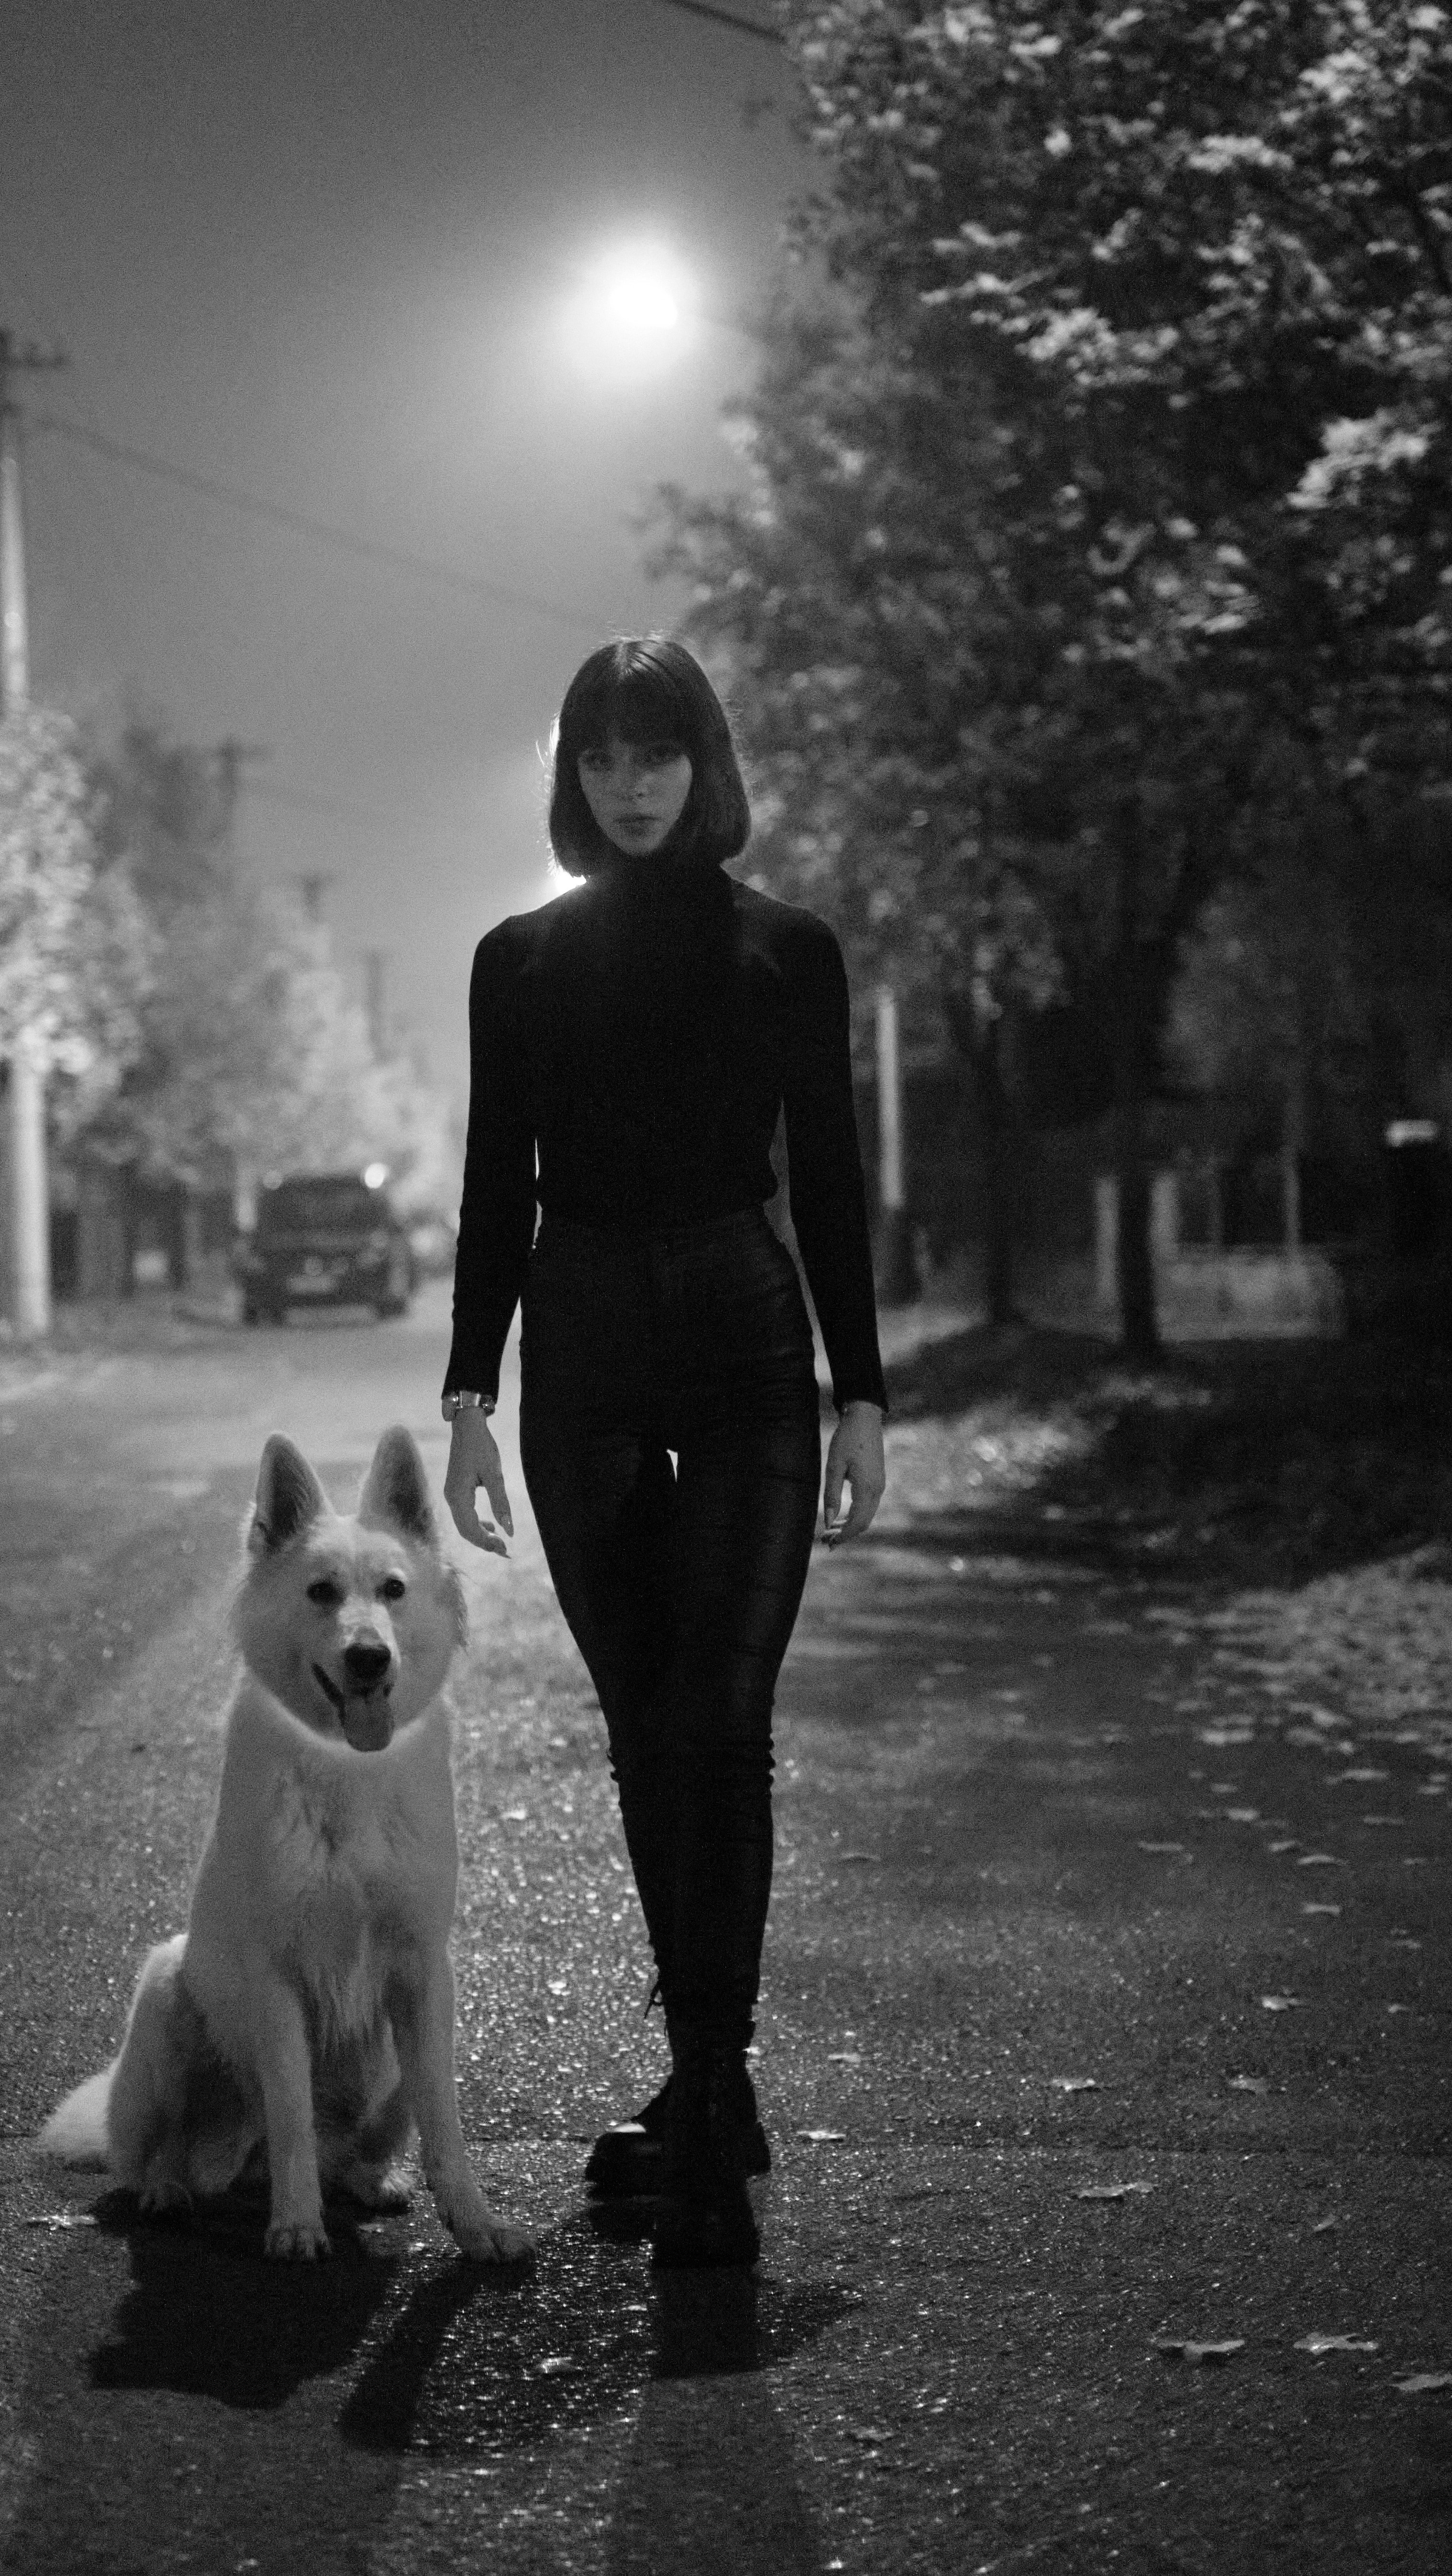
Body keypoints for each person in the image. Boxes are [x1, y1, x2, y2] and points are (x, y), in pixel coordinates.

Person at [441, 635, 886, 2268]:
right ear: (573, 773)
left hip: (746, 1335)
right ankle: (714, 2090)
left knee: (725, 1719)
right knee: (645, 1722)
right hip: (581, 1341)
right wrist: (467, 1396)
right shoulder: (519, 961)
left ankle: (706, 2085)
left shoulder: (790, 950)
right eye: (604, 757)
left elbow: (826, 1175)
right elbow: (497, 1180)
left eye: (659, 752)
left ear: (707, 764)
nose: (631, 786)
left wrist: (863, 1392)